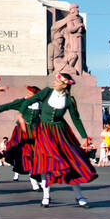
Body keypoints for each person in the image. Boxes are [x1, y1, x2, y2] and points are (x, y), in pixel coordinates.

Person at [26, 73, 97, 208]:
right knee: (45, 162)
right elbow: (27, 102)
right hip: (44, 132)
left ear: (64, 84)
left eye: (57, 80)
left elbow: (76, 119)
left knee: (70, 162)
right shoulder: (47, 92)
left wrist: (85, 136)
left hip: (61, 133)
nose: (54, 82)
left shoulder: (70, 100)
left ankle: (79, 195)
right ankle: (46, 196)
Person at [0, 85, 42, 189]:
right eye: (27, 93)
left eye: (30, 93)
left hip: (34, 131)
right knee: (26, 155)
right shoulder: (23, 102)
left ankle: (36, 178)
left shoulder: (40, 105)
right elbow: (9, 105)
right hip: (23, 132)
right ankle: (34, 182)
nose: (27, 95)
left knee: (35, 155)